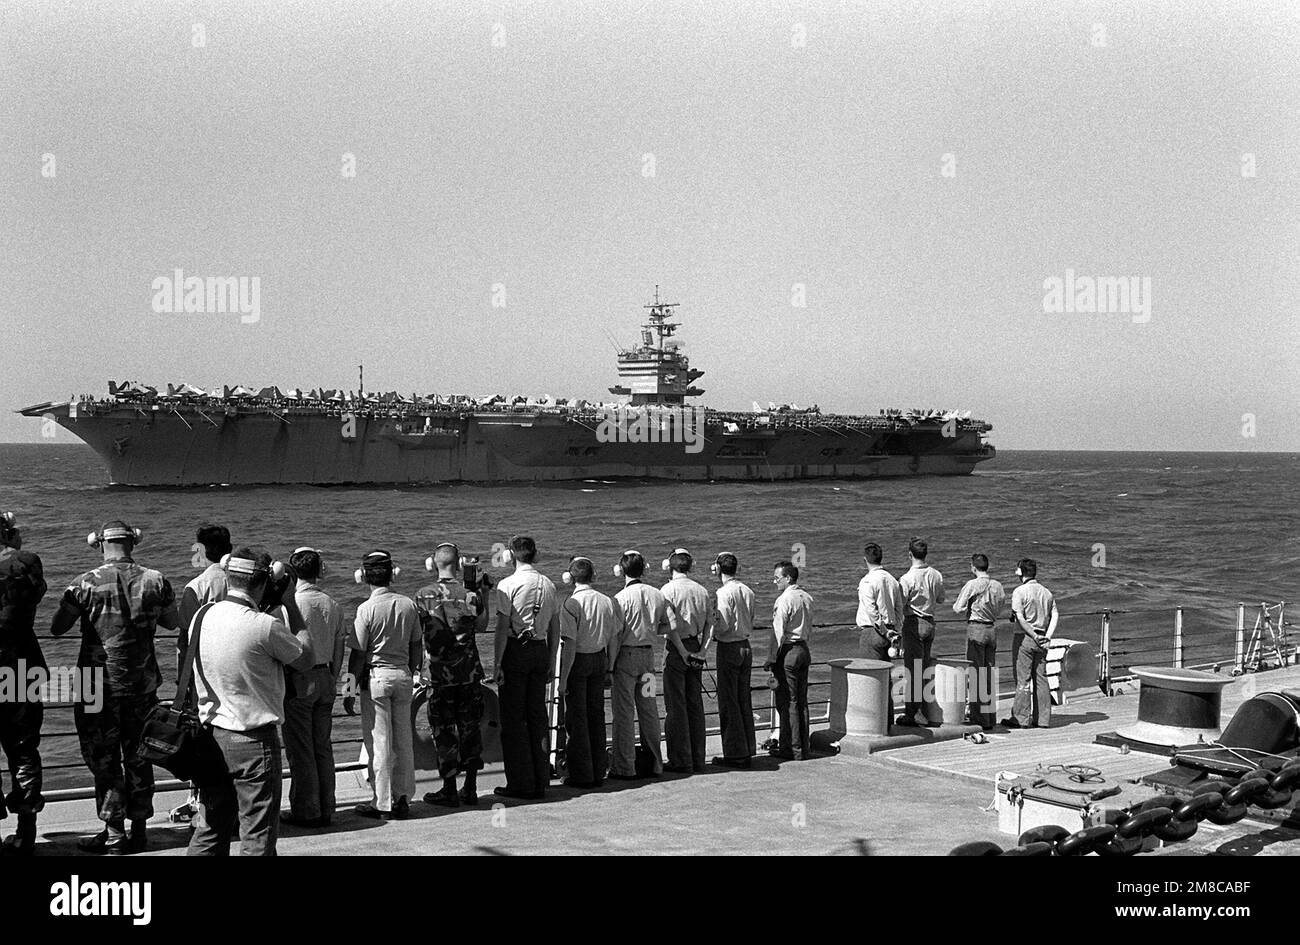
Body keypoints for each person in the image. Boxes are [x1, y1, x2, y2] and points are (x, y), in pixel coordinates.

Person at [50, 521, 178, 855]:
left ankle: (113, 832)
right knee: (140, 755)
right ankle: (139, 829)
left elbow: (57, 627)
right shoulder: (155, 580)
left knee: (103, 760)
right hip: (142, 684)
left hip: (97, 686)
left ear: (99, 544)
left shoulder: (84, 584)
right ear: (133, 543)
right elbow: (172, 621)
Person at [188, 549, 312, 855]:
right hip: (254, 742)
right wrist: (290, 604)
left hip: (212, 735)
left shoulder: (201, 617)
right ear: (263, 583)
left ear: (229, 576)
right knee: (258, 836)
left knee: (210, 829)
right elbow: (306, 657)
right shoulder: (263, 626)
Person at [415, 542, 491, 808]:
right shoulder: (469, 595)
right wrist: (484, 594)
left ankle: (448, 789)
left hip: (437, 676)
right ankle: (469, 788)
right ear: (459, 564)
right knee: (470, 730)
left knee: (443, 732)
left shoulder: (422, 595)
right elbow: (482, 626)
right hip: (468, 674)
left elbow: (418, 634)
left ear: (432, 563)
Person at [349, 550, 422, 819]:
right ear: (393, 573)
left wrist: (349, 689)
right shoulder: (408, 604)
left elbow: (357, 653)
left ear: (363, 576)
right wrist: (412, 671)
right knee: (403, 741)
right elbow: (417, 644)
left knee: (379, 743)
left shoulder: (365, 609)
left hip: (376, 677)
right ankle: (404, 797)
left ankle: (381, 802)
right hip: (403, 675)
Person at [281, 547, 346, 827]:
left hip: (300, 679)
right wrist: (333, 675)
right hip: (326, 677)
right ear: (320, 570)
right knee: (323, 746)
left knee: (301, 748)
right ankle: (327, 807)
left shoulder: (290, 605)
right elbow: (340, 645)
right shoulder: (332, 604)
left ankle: (307, 810)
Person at [173, 522, 232, 823]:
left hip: (202, 673)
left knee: (199, 735)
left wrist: (181, 683)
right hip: (234, 669)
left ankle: (200, 799)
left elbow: (184, 633)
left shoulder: (196, 587)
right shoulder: (239, 582)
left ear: (201, 549)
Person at [493, 536, 560, 800]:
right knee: (537, 717)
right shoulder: (550, 585)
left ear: (510, 556)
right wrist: (551, 660)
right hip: (540, 649)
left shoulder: (507, 584)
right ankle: (541, 778)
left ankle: (521, 782)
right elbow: (555, 628)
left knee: (513, 719)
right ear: (536, 554)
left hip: (516, 651)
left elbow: (501, 628)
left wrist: (497, 664)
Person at [0, 511, 47, 855]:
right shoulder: (25, 562)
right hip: (22, 666)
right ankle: (26, 830)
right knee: (24, 747)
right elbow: (37, 592)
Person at [557, 556, 621, 787]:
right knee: (597, 715)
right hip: (600, 659)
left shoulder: (570, 604)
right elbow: (614, 637)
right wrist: (610, 666)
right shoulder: (607, 601)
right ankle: (598, 769)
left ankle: (581, 773)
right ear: (593, 576)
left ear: (570, 578)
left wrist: (563, 680)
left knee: (577, 717)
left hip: (580, 661)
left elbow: (570, 645)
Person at [609, 551, 669, 780]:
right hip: (648, 658)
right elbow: (669, 625)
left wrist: (610, 666)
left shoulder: (620, 598)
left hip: (626, 657)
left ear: (621, 571)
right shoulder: (657, 595)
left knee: (624, 713)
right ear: (644, 569)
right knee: (649, 710)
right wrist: (652, 631)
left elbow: (615, 636)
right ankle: (656, 763)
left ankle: (625, 766)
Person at [659, 548, 712, 774]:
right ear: (690, 567)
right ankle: (698, 757)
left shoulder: (667, 590)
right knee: (695, 705)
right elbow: (711, 624)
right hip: (695, 645)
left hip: (676, 648)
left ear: (670, 567)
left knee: (675, 707)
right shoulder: (702, 590)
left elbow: (669, 627)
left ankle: (681, 759)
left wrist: (681, 652)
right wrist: (702, 651)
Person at [709, 552, 756, 769]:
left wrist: (712, 630)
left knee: (729, 702)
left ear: (718, 569)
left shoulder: (723, 592)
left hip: (729, 647)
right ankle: (748, 748)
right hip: (746, 646)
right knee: (743, 699)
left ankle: (735, 753)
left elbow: (724, 624)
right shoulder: (748, 590)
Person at [765, 561, 814, 760]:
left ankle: (791, 748)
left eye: (777, 578)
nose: (774, 581)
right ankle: (803, 745)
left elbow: (778, 632)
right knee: (801, 701)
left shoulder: (784, 600)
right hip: (803, 648)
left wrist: (770, 658)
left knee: (788, 702)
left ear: (788, 578)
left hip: (788, 652)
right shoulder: (807, 597)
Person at [952, 553, 1007, 730]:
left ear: (973, 567)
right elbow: (1000, 607)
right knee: (989, 675)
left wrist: (971, 606)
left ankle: (978, 718)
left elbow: (957, 608)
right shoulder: (998, 585)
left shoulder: (972, 584)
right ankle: (989, 718)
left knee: (976, 675)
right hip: (992, 628)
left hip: (976, 628)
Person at [856, 542, 906, 726]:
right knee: (886, 679)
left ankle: (873, 723)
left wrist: (883, 631)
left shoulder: (867, 581)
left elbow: (871, 611)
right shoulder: (892, 580)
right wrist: (895, 631)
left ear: (865, 560)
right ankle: (887, 721)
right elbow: (899, 608)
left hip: (873, 632)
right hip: (891, 630)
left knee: (870, 678)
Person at [1005, 558, 1058, 730]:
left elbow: (1019, 617)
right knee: (1041, 678)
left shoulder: (1019, 591)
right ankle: (1043, 719)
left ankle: (1021, 718)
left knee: (1023, 679)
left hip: (1025, 637)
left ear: (1021, 572)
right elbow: (1055, 614)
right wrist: (1047, 636)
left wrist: (1033, 635)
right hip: (1043, 638)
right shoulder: (1047, 592)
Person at [898, 538, 944, 726]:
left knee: (913, 670)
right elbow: (941, 599)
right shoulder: (936, 575)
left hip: (914, 623)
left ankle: (913, 713)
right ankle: (925, 709)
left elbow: (901, 604)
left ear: (910, 554)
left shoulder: (907, 578)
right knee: (924, 669)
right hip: (930, 622)